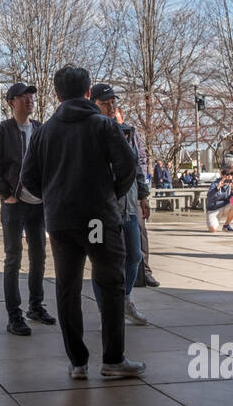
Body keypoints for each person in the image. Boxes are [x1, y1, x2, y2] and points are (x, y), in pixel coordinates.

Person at [19, 66, 143, 381]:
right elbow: (128, 165)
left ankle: (77, 362)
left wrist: (53, 197)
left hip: (61, 220)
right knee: (110, 283)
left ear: (58, 95)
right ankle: (113, 359)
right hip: (97, 218)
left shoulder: (44, 131)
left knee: (67, 287)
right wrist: (111, 193)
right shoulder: (103, 126)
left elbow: (29, 179)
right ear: (88, 92)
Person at [0, 82, 52, 335]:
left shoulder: (41, 129)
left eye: (31, 96)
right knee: (13, 258)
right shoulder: (2, 131)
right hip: (14, 204)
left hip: (37, 204)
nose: (29, 100)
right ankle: (14, 315)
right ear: (11, 102)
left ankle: (36, 306)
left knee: (39, 257)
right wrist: (6, 193)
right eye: (23, 97)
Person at [88, 85, 151, 327]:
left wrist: (143, 195)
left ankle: (123, 300)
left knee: (134, 255)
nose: (112, 106)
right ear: (94, 103)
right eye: (106, 102)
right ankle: (107, 309)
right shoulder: (90, 131)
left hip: (129, 207)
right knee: (100, 261)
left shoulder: (128, 132)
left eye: (114, 101)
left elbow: (136, 167)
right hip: (100, 211)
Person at [205, 166, 233, 232]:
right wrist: (217, 188)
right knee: (212, 230)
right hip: (213, 209)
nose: (229, 176)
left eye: (231, 174)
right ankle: (215, 222)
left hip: (225, 207)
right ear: (222, 175)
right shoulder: (215, 183)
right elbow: (209, 196)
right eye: (227, 174)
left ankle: (226, 226)